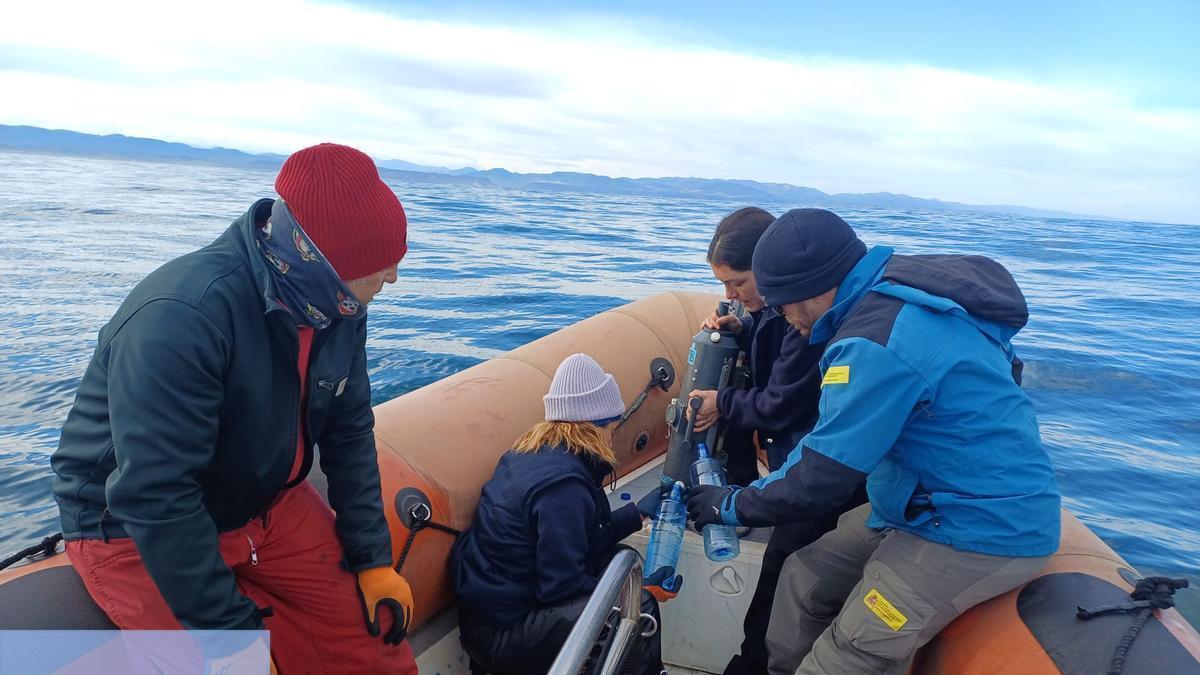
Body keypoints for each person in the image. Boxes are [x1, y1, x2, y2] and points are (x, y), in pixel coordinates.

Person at [50, 143, 417, 674]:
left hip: (267, 503)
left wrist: (372, 558)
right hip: (133, 527)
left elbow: (350, 429)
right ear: (320, 261)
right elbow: (155, 494)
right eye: (379, 266)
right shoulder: (183, 316)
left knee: (374, 640)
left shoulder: (338, 306)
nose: (392, 279)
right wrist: (230, 640)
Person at [686, 208, 1061, 674]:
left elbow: (821, 477)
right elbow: (832, 439)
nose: (781, 316)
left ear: (812, 288)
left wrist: (731, 506)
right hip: (911, 502)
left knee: (848, 653)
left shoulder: (873, 342)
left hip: (975, 526)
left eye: (782, 304)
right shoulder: (895, 296)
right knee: (805, 575)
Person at [687, 207, 867, 675]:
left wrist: (721, 403)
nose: (729, 296)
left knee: (781, 578)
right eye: (723, 285)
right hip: (801, 469)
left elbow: (780, 402)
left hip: (814, 474)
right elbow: (770, 340)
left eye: (738, 283)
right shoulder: (771, 312)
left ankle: (753, 665)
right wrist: (741, 327)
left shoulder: (807, 322)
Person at [453, 353, 666, 675]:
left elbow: (581, 539)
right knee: (638, 606)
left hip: (492, 615)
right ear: (594, 427)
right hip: (505, 635)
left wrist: (636, 513)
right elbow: (560, 587)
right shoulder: (563, 487)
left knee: (617, 561)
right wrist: (639, 591)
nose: (613, 435)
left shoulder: (533, 454)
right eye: (611, 427)